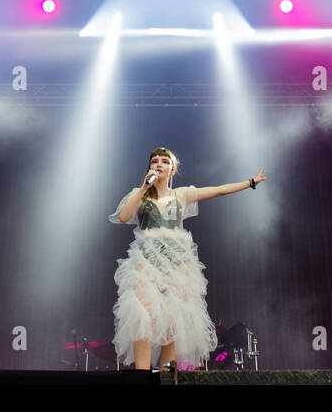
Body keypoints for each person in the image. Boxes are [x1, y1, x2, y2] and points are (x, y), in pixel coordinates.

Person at [109, 147, 266, 371]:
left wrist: (250, 182)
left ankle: (166, 376)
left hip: (176, 262)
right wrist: (144, 187)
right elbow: (124, 216)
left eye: (165, 161)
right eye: (154, 161)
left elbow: (218, 190)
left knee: (172, 324)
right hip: (146, 261)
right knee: (142, 318)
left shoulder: (181, 194)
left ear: (173, 170)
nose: (159, 164)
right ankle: (141, 375)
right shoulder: (139, 193)